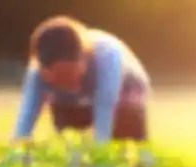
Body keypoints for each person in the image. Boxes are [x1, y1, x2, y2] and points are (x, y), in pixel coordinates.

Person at [13, 16, 151, 143]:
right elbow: (25, 121)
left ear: (83, 60)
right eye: (61, 77)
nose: (70, 82)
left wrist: (100, 149)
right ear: (44, 72)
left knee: (127, 140)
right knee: (69, 143)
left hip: (125, 91)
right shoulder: (37, 73)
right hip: (75, 100)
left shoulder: (108, 56)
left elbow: (105, 112)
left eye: (72, 73)